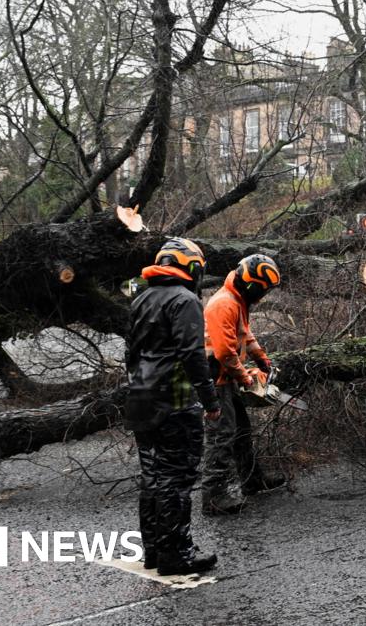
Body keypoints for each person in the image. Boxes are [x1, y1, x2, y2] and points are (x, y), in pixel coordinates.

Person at [124, 237, 220, 575]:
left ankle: (154, 551)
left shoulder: (142, 298)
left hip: (140, 397)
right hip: (174, 401)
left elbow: (130, 352)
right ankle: (176, 554)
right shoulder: (185, 299)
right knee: (177, 479)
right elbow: (192, 354)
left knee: (152, 476)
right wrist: (209, 398)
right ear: (191, 266)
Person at [201, 253, 287, 515]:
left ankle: (252, 479)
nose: (262, 295)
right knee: (220, 436)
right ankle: (214, 497)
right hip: (216, 378)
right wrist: (246, 378)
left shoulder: (237, 301)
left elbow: (245, 335)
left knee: (241, 431)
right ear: (252, 285)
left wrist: (262, 359)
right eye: (262, 289)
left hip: (227, 376)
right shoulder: (224, 304)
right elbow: (224, 352)